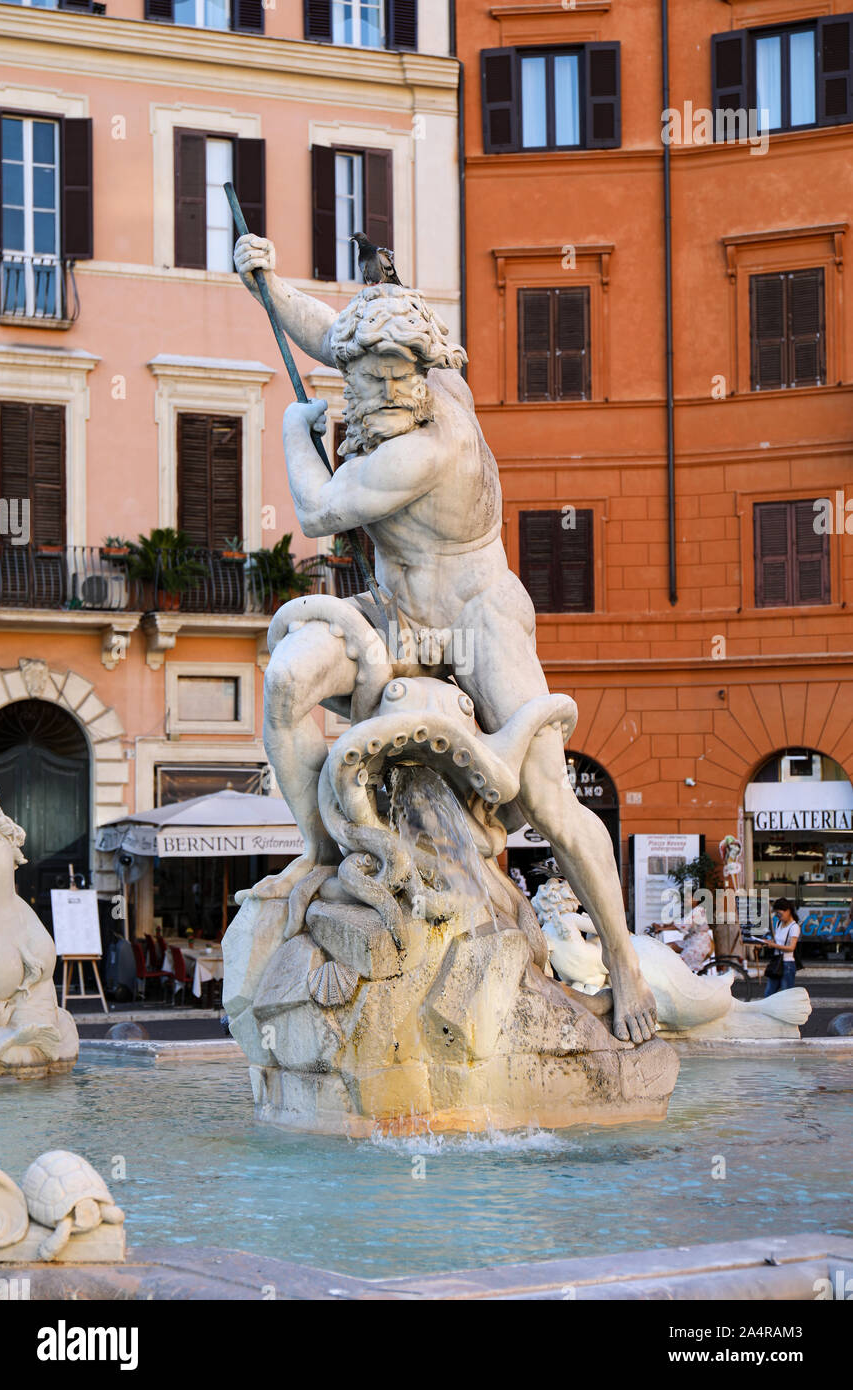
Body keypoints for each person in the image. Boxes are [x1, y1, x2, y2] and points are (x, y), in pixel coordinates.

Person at [231, 232, 658, 1045]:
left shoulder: (434, 441)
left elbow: (320, 511)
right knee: (287, 682)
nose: (386, 390)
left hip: (475, 615)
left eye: (400, 377)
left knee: (548, 800)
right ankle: (329, 855)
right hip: (391, 611)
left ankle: (627, 972)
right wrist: (271, 283)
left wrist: (293, 430)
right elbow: (332, 332)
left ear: (426, 372)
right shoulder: (385, 373)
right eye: (369, 379)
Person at [758, 897, 801, 995]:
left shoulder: (794, 927)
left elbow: (791, 948)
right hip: (777, 962)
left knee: (786, 995)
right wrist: (765, 942)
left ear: (788, 911)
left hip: (788, 964)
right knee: (768, 994)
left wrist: (774, 945)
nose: (778, 916)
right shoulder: (778, 923)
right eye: (776, 914)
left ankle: (788, 1010)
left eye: (780, 914)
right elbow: (776, 941)